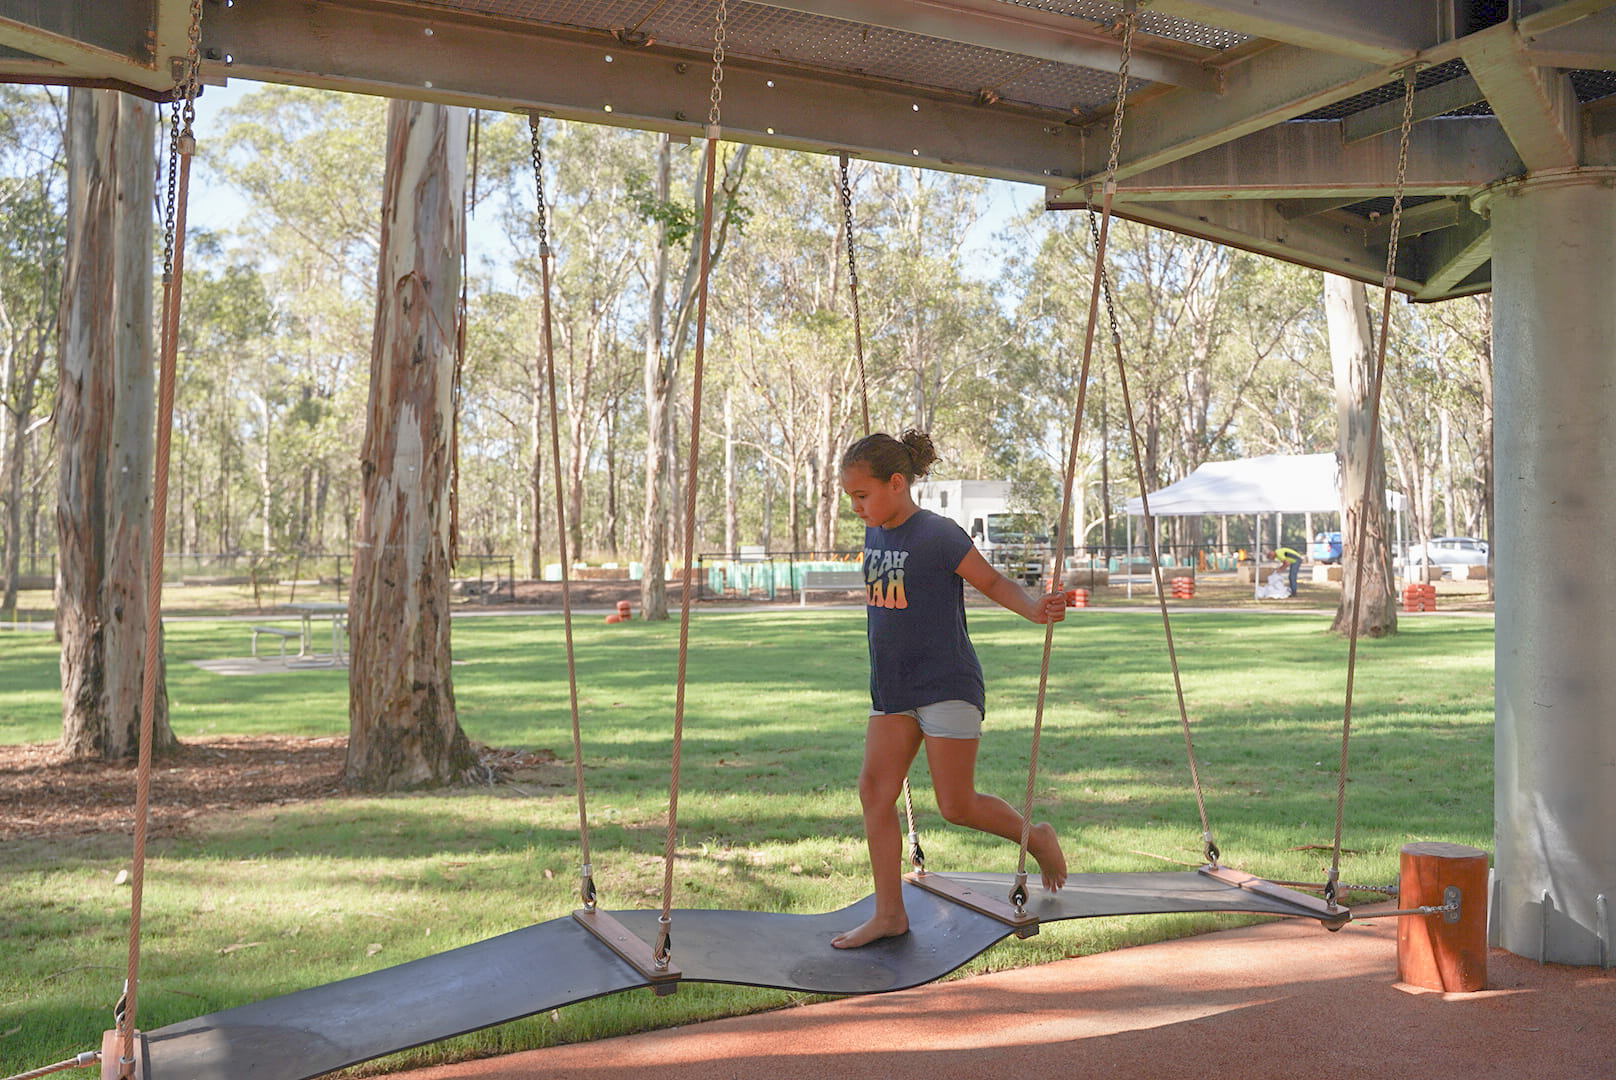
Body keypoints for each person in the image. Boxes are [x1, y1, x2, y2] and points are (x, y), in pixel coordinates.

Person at [833, 430, 1070, 950]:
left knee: (957, 806)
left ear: (897, 483)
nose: (856, 508)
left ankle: (1038, 837)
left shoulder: (939, 534)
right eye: (851, 497)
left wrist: (1034, 608)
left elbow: (990, 583)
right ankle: (889, 914)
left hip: (946, 685)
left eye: (862, 495)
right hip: (892, 691)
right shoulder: (875, 534)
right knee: (874, 791)